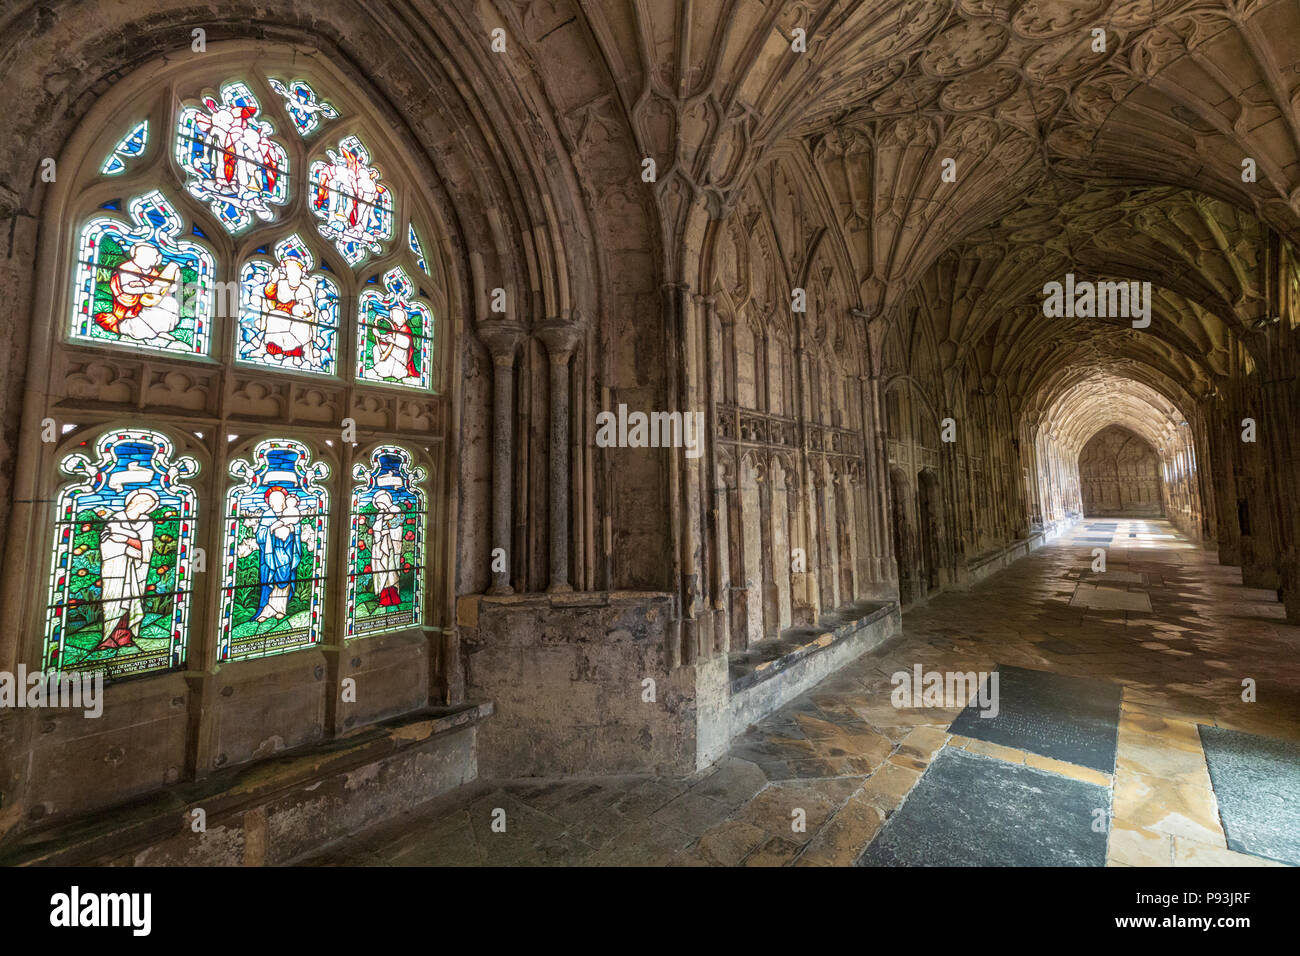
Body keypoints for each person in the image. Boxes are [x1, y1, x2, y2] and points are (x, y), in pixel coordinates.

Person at [96, 488, 160, 649]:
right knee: (114, 600)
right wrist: (126, 548)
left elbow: (146, 548)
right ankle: (108, 636)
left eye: (149, 505)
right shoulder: (115, 519)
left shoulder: (146, 522)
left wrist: (125, 539)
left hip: (136, 570)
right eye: (143, 503)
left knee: (132, 600)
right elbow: (106, 542)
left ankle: (125, 635)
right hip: (115, 568)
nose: (145, 508)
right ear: (133, 502)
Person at [96, 243, 182, 343]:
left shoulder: (153, 272)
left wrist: (170, 287)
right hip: (130, 305)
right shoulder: (127, 268)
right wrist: (147, 289)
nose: (157, 259)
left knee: (170, 302)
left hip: (148, 301)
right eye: (154, 256)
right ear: (142, 256)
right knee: (141, 324)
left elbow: (159, 289)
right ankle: (135, 329)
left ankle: (161, 330)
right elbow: (126, 288)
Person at [252, 486, 302, 623]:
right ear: (270, 502)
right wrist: (272, 528)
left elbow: (297, 528)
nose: (278, 502)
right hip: (271, 556)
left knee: (285, 582)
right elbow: (260, 536)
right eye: (275, 500)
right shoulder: (267, 515)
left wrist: (292, 528)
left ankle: (281, 609)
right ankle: (266, 611)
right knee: (270, 581)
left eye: (281, 499)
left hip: (288, 552)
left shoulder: (289, 513)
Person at [261, 257, 318, 367]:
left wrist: (305, 310)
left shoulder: (305, 289)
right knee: (275, 318)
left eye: (296, 271)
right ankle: (277, 351)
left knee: (302, 326)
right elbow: (269, 294)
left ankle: (296, 354)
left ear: (301, 273)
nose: (293, 274)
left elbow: (311, 308)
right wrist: (273, 281)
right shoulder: (281, 283)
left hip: (299, 316)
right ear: (286, 272)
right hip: (280, 312)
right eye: (290, 271)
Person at [367, 491, 404, 607]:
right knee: (382, 571)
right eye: (377, 505)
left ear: (385, 501)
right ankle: (384, 599)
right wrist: (381, 525)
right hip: (380, 548)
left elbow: (396, 527)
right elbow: (375, 528)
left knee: (391, 571)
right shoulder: (380, 513)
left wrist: (386, 530)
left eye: (380, 504)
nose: (379, 507)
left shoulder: (397, 511)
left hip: (392, 547)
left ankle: (393, 598)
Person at [372, 306, 418, 382]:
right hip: (394, 350)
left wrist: (394, 341)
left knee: (390, 350)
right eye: (393, 316)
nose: (393, 318)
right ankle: (380, 367)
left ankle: (396, 371)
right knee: (376, 348)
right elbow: (388, 337)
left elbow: (406, 344)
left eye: (395, 316)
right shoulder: (395, 327)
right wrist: (379, 335)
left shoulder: (406, 329)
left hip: (402, 354)